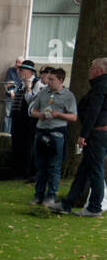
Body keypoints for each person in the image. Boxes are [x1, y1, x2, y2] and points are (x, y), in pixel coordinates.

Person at [55, 57, 107, 218]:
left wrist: (84, 134)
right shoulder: (100, 85)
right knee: (84, 170)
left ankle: (94, 207)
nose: (89, 70)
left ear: (100, 70)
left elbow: (94, 111)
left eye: (92, 67)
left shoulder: (101, 86)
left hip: (97, 133)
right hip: (100, 132)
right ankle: (67, 203)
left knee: (95, 170)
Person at [28, 67, 76, 208]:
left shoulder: (68, 96)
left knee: (54, 166)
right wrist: (39, 115)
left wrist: (59, 115)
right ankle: (38, 195)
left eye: (52, 79)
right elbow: (33, 110)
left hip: (57, 132)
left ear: (61, 80)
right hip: (41, 130)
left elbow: (73, 116)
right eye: (48, 79)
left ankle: (51, 196)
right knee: (40, 165)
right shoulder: (43, 93)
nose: (48, 82)